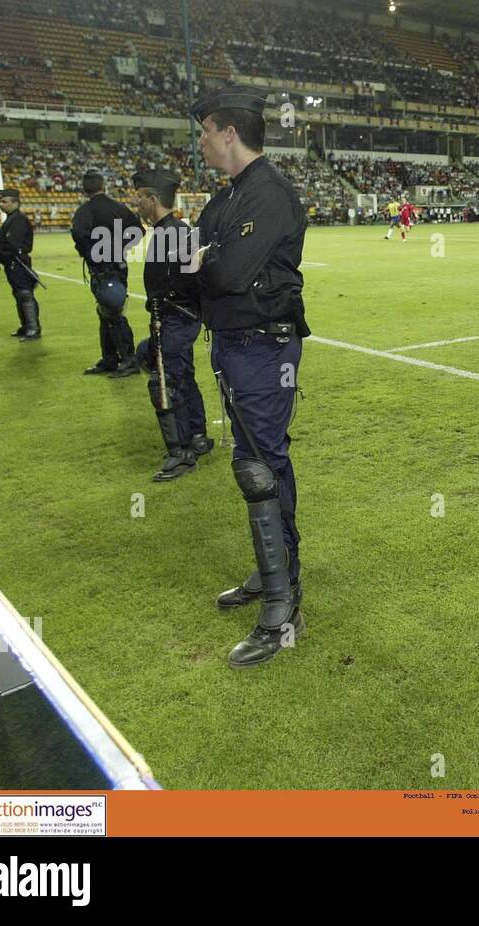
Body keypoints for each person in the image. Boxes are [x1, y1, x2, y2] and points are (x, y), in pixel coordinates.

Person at [189, 84, 309, 668]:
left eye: (205, 132)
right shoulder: (230, 196)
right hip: (236, 346)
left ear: (229, 133)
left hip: (263, 348)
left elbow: (227, 269)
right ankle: (273, 574)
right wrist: (203, 262)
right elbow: (191, 259)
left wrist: (203, 262)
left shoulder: (269, 194)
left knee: (261, 467)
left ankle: (284, 605)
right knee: (253, 465)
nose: (201, 143)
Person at [132, 168, 213, 482]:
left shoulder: (173, 232)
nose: (136, 202)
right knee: (183, 376)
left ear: (153, 199)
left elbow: (191, 280)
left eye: (140, 197)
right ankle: (197, 436)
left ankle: (180, 454)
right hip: (177, 316)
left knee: (165, 382)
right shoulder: (173, 230)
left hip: (176, 317)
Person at [71, 170, 142, 377]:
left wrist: (91, 252)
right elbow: (138, 230)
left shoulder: (86, 210)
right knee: (106, 311)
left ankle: (129, 359)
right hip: (119, 266)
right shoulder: (119, 208)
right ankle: (110, 358)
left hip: (102, 269)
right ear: (104, 186)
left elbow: (78, 233)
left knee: (112, 312)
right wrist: (120, 247)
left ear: (85, 189)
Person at [0, 188, 41, 341]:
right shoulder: (13, 218)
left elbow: (13, 245)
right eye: (1, 201)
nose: (1, 204)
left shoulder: (18, 220)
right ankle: (26, 326)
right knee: (19, 294)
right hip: (11, 263)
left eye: (4, 201)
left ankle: (33, 328)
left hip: (17, 263)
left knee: (24, 294)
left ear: (15, 203)